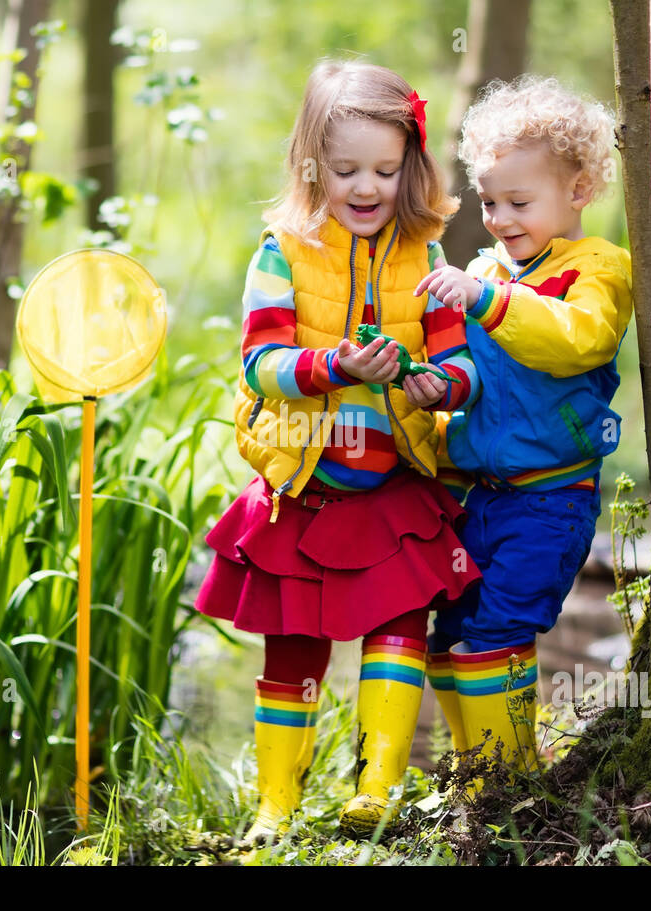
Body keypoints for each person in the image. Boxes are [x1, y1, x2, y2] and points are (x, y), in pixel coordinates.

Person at [194, 60, 482, 843]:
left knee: (400, 626)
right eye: (347, 170)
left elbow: (459, 365)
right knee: (293, 645)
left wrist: (437, 387)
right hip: (303, 482)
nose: (367, 187)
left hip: (393, 487)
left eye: (386, 171)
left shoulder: (425, 258)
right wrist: (336, 368)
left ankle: (376, 789)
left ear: (411, 167)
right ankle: (275, 806)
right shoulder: (282, 252)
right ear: (312, 165)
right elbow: (261, 365)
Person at [415, 74, 634, 781]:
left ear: (578, 190)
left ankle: (503, 781)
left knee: (499, 628)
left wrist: (486, 298)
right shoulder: (486, 269)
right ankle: (475, 767)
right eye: (489, 203)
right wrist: (438, 388)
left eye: (519, 202)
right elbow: (473, 371)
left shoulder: (596, 268)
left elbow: (578, 342)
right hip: (475, 494)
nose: (500, 218)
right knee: (451, 631)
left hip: (550, 498)